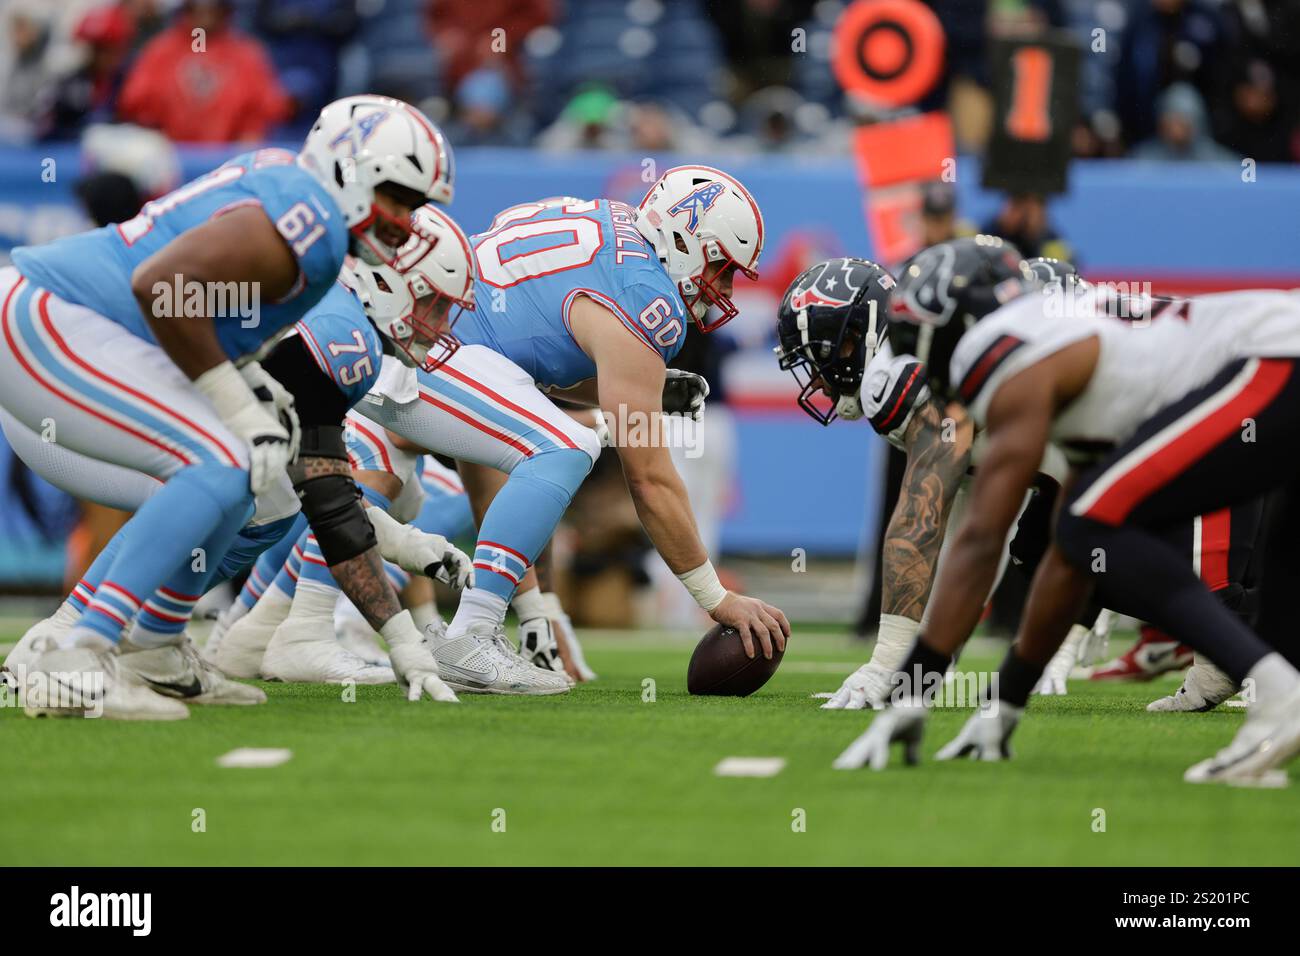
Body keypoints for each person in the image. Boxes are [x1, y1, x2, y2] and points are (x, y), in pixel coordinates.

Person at [0, 95, 454, 719]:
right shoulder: (314, 224)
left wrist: (249, 397)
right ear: (350, 170)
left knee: (254, 473)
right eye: (398, 198)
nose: (404, 223)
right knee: (222, 457)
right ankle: (79, 649)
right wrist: (237, 408)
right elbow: (162, 288)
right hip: (53, 315)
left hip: (90, 330)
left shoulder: (304, 210)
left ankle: (154, 645)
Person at [836, 236, 1300, 785]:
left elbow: (983, 538)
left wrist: (912, 688)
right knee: (1094, 533)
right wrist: (1005, 702)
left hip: (1270, 361)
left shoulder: (1011, 355)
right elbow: (1070, 554)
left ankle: (1276, 694)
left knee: (1089, 529)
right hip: (1273, 348)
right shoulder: (1069, 345)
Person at [358, 169, 791, 665]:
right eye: (723, 268)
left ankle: (289, 626)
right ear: (685, 240)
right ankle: (470, 634)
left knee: (348, 489)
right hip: (425, 345)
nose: (726, 290)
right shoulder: (648, 297)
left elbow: (519, 375)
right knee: (565, 447)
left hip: (402, 325)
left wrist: (538, 609)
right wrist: (717, 597)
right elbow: (649, 480)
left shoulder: (613, 225)